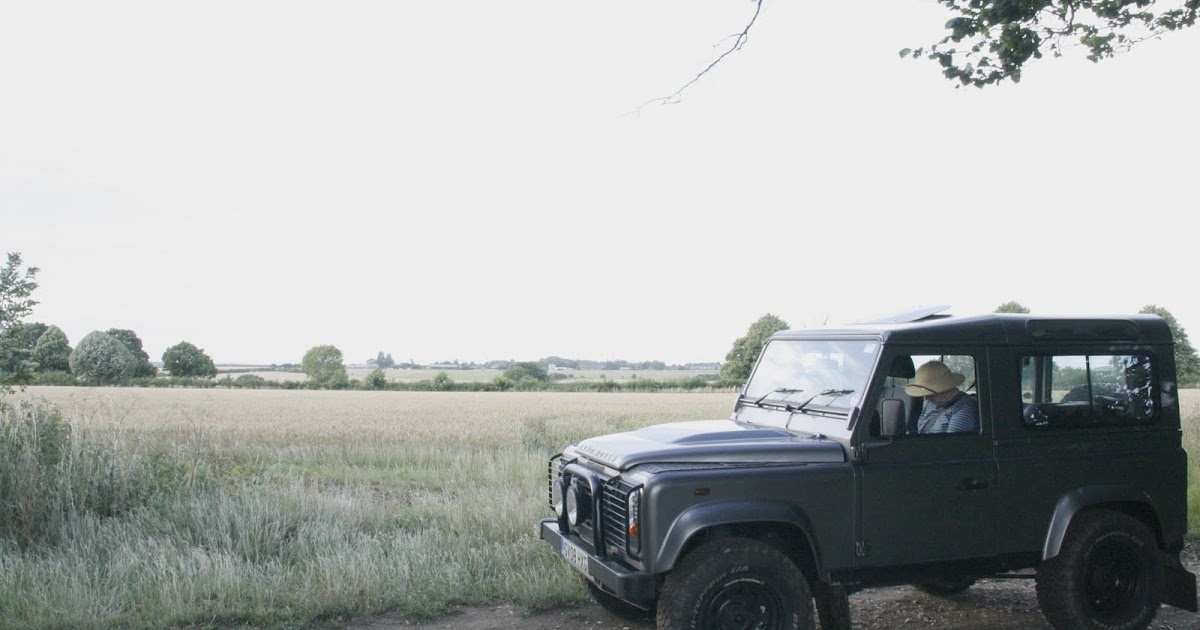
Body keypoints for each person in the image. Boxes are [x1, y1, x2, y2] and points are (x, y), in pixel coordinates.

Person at [904, 360, 979, 434]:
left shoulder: (964, 409)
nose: (926, 397)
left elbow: (951, 441)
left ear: (945, 389)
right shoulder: (930, 402)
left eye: (929, 393)